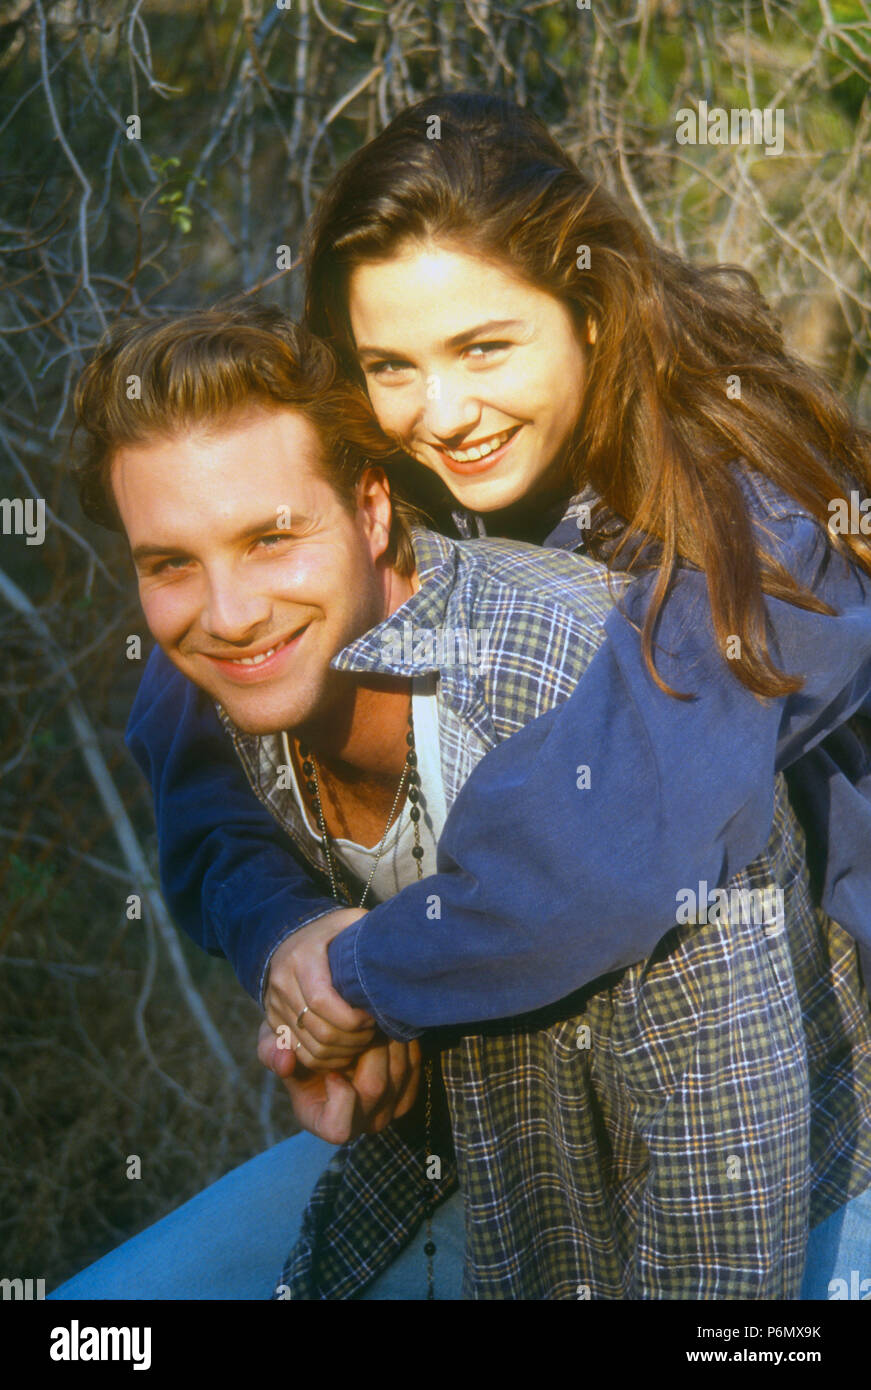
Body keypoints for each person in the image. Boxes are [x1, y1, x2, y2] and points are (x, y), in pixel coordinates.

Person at [54, 304, 871, 1301]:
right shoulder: (214, 669)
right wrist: (297, 953)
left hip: (780, 1184)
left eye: (271, 538)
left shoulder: (587, 690)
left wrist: (358, 980)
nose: (225, 613)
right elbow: (209, 830)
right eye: (168, 562)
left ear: (369, 509)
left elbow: (725, 1164)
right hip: (473, 1150)